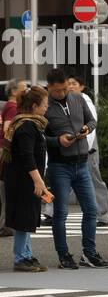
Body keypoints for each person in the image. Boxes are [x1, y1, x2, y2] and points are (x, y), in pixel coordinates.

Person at [46, 68, 108, 269]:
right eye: (57, 90)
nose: (62, 93)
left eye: (65, 88)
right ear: (49, 88)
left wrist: (86, 129)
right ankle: (64, 254)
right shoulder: (44, 104)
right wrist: (57, 140)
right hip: (59, 166)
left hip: (82, 162)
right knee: (61, 213)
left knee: (91, 210)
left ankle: (89, 253)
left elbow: (91, 120)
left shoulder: (78, 99)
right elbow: (38, 137)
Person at [4, 86, 50, 271]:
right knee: (23, 219)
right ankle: (21, 257)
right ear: (34, 106)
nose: (46, 107)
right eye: (45, 104)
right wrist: (38, 181)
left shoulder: (31, 124)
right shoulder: (27, 126)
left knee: (28, 217)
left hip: (25, 179)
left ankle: (27, 254)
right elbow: (27, 156)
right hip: (23, 180)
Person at [66, 75, 108, 227]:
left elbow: (92, 126)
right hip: (71, 148)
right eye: (68, 84)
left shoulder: (85, 101)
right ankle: (51, 211)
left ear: (81, 87)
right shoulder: (67, 102)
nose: (70, 86)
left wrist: (83, 149)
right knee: (63, 180)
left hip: (87, 149)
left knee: (94, 180)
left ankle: (106, 214)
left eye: (74, 83)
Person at [0, 79, 27, 237]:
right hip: (5, 150)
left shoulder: (9, 106)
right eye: (24, 89)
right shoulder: (13, 107)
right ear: (15, 91)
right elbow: (7, 128)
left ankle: (6, 224)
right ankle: (6, 225)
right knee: (6, 190)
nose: (26, 91)